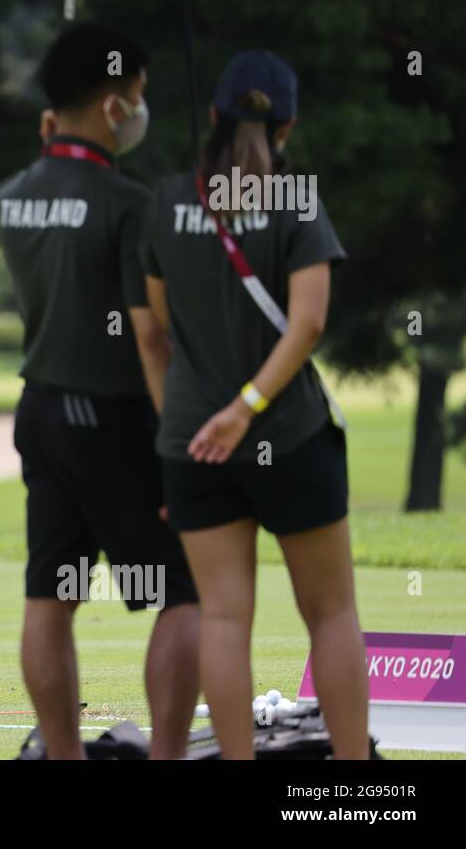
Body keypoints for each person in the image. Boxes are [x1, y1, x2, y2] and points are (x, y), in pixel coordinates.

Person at [140, 50, 368, 759]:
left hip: (195, 446)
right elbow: (308, 324)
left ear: (214, 116)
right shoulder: (299, 200)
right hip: (292, 435)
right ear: (288, 127)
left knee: (224, 619)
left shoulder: (166, 201)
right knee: (330, 614)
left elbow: (154, 333)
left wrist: (184, 428)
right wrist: (248, 406)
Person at [0, 24, 200, 759]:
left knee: (52, 592)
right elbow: (151, 337)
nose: (140, 110)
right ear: (114, 103)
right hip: (113, 413)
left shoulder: (11, 197)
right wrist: (178, 442)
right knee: (186, 587)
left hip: (40, 408)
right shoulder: (130, 203)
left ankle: (62, 752)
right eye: (137, 96)